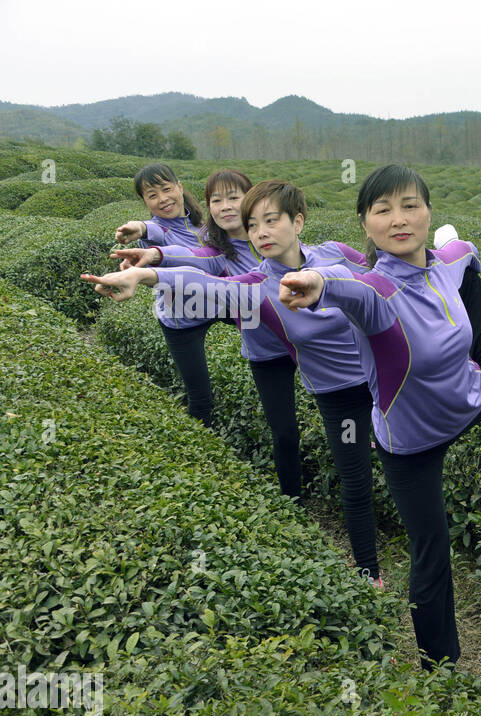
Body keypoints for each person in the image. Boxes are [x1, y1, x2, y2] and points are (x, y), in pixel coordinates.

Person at [82, 180, 384, 584]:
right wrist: (146, 274)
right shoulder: (257, 288)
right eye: (253, 224)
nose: (260, 232)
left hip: (386, 376)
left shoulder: (333, 254)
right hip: (339, 396)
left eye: (271, 221)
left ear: (298, 221)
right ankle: (370, 574)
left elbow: (384, 276)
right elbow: (202, 279)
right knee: (356, 479)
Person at [277, 165, 481, 670]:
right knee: (431, 549)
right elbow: (343, 285)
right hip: (411, 441)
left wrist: (471, 263)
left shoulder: (450, 260)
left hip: (471, 402)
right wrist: (315, 281)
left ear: (428, 212)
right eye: (383, 210)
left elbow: (463, 252)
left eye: (410, 206)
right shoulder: (374, 289)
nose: (399, 219)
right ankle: (439, 667)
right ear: (365, 223)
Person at [112, 169, 304, 498]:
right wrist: (150, 252)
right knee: (202, 396)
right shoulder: (214, 249)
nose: (226, 206)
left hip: (225, 306)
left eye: (234, 198)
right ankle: (205, 464)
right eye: (217, 200)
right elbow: (185, 254)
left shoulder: (241, 233)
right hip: (183, 317)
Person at [110, 163, 215, 427]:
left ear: (179, 187)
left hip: (217, 303)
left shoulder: (201, 222)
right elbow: (148, 229)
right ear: (145, 201)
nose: (162, 199)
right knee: (201, 398)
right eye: (152, 195)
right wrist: (137, 228)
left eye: (167, 189)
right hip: (183, 321)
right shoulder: (155, 232)